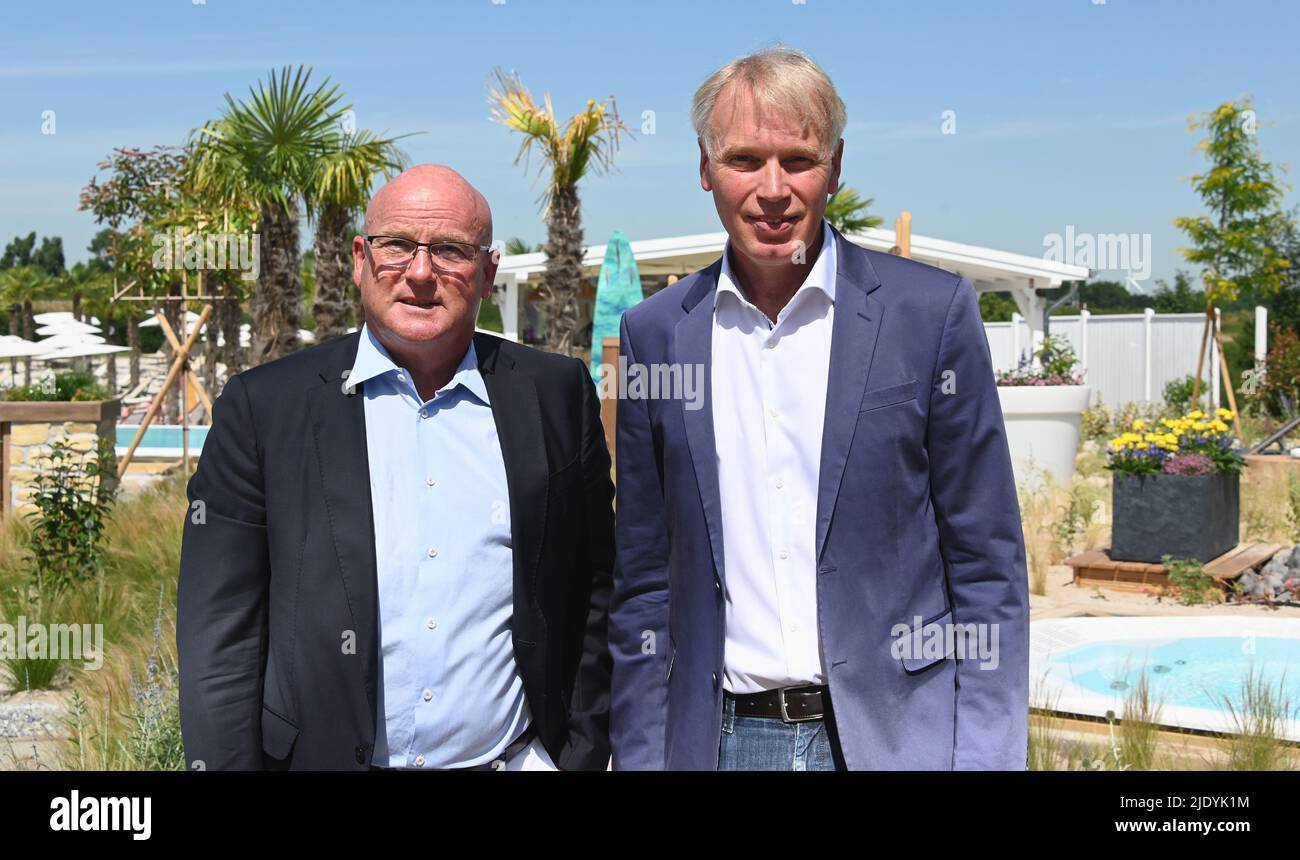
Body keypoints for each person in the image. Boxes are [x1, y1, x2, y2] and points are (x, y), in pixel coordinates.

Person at [608, 48, 1029, 770]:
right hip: (718, 745)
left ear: (835, 166)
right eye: (744, 159)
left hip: (895, 742)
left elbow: (987, 566)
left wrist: (986, 757)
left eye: (798, 160)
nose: (773, 189)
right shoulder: (656, 335)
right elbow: (645, 581)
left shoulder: (929, 315)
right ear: (704, 169)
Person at [178, 165, 614, 771]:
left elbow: (595, 589)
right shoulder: (264, 409)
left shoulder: (556, 395)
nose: (419, 272)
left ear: (488, 272)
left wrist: (580, 751)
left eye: (450, 251)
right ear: (360, 258)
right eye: (397, 246)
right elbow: (219, 634)